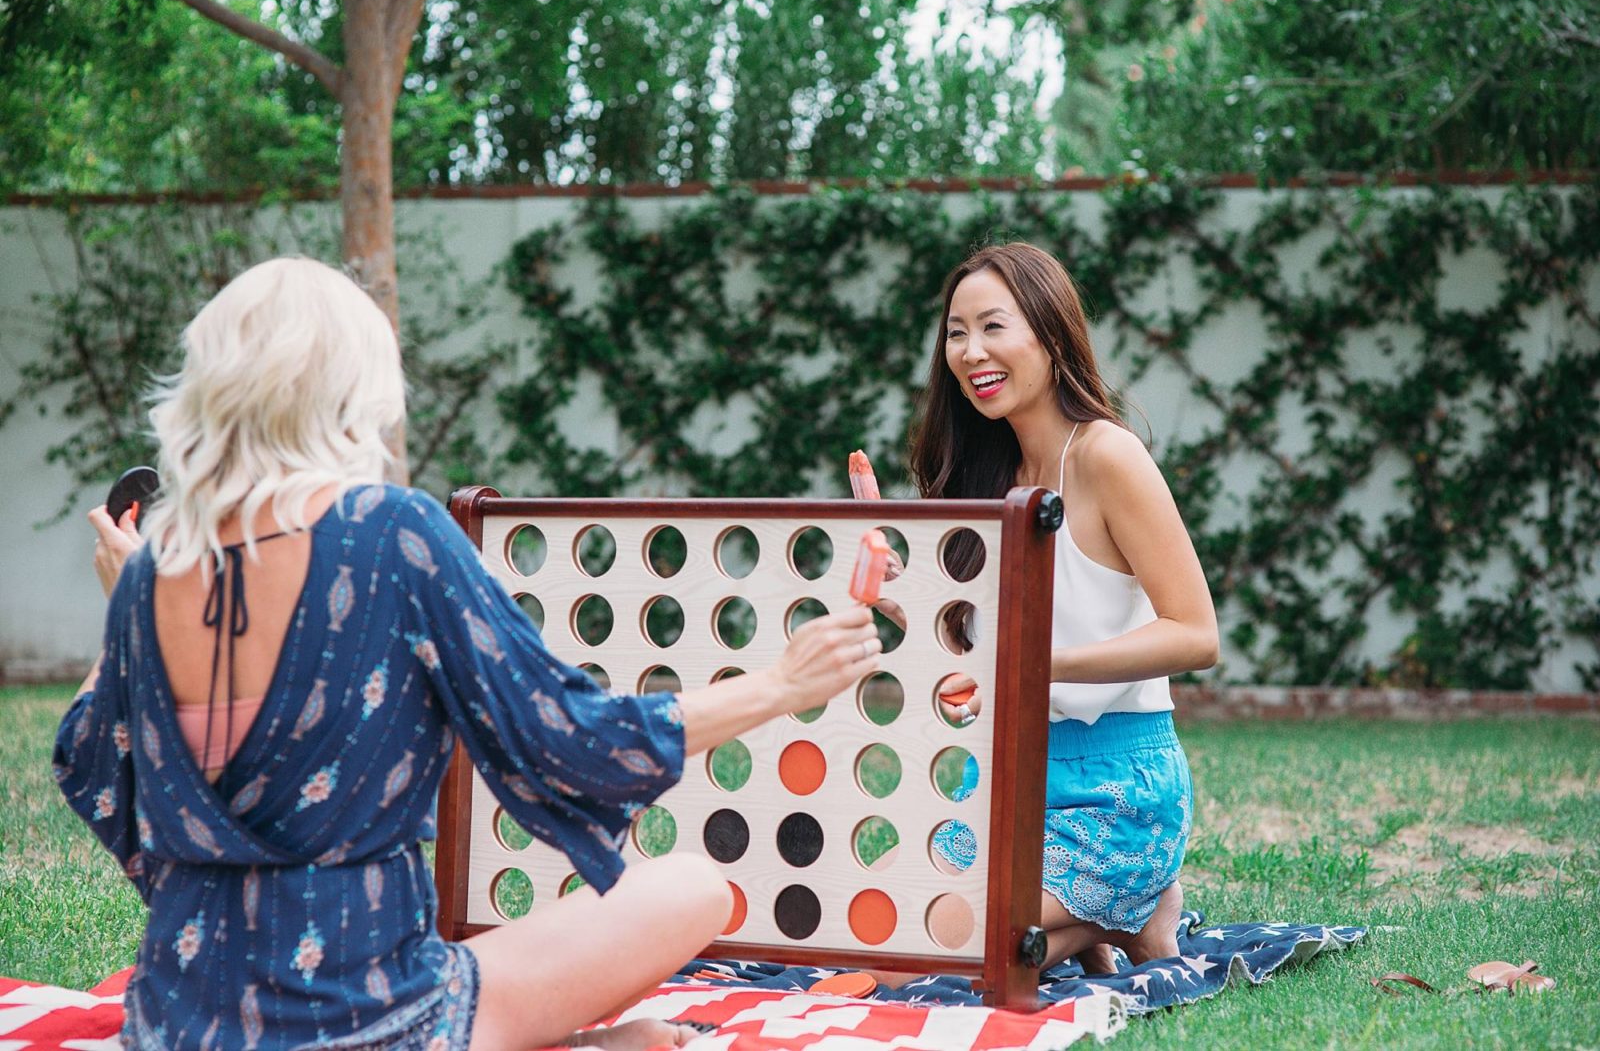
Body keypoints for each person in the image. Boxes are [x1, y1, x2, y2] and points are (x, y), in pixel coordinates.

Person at [60, 257, 884, 1051]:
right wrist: (781, 682)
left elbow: (92, 766)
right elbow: (576, 741)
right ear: (361, 389)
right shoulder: (392, 530)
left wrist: (126, 612)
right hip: (374, 1016)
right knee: (693, 886)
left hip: (180, 1020)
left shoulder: (147, 578)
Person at [910, 242, 1218, 973]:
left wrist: (1041, 668)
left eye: (993, 326)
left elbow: (1197, 634)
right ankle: (1117, 925)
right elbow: (974, 662)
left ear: (1050, 335)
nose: (970, 350)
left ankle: (1131, 904)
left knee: (953, 937)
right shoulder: (982, 478)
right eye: (956, 332)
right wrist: (906, 602)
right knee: (899, 928)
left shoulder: (1107, 457)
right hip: (1003, 781)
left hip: (1118, 790)